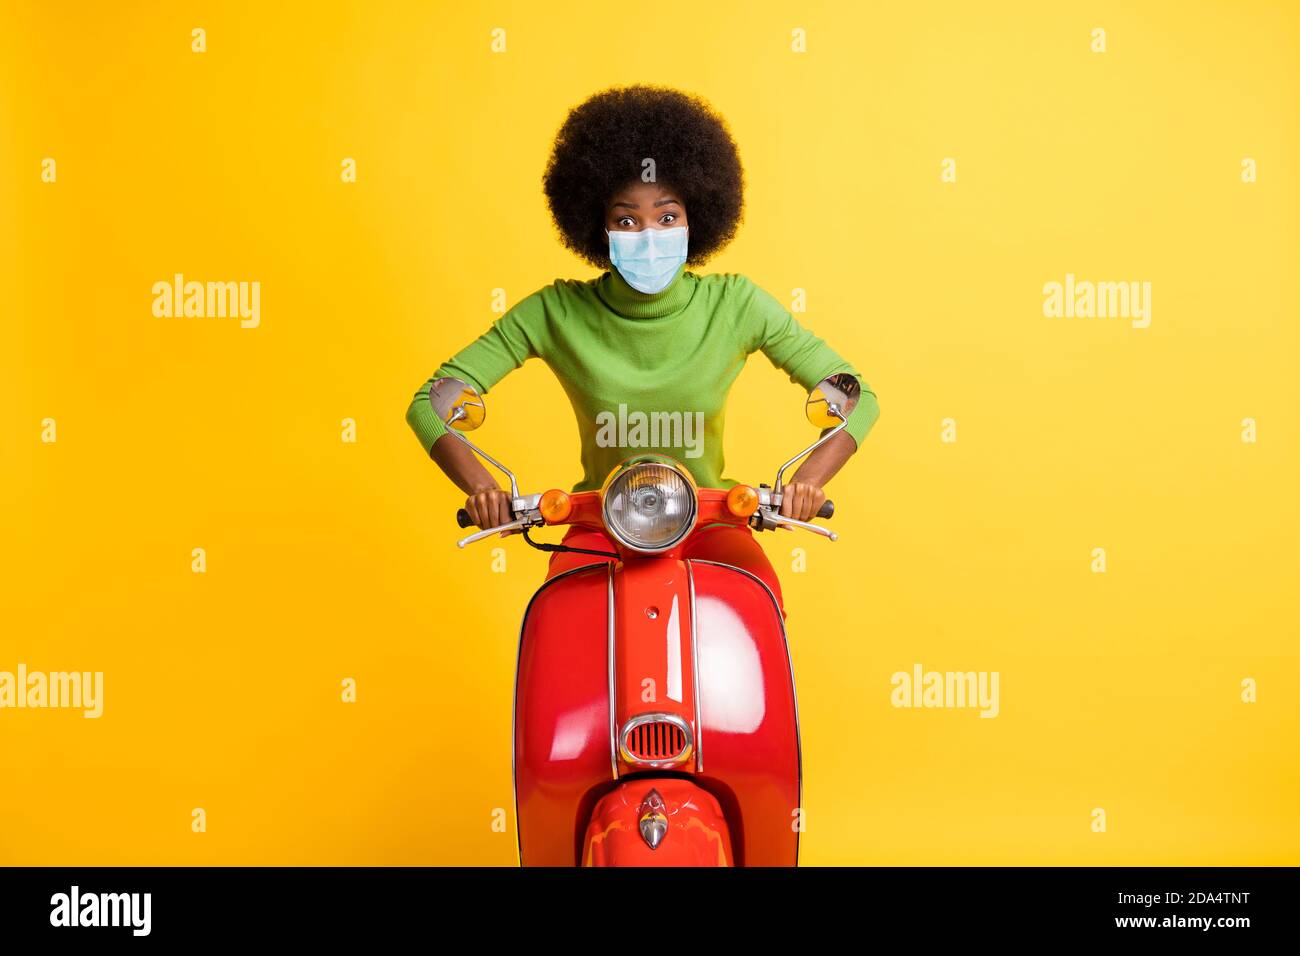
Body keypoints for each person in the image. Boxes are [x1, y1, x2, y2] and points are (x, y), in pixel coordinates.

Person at [405, 84, 880, 608]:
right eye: (627, 220)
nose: (649, 234)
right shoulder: (554, 313)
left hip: (711, 523)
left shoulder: (737, 304)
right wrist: (484, 489)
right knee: (561, 615)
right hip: (597, 528)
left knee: (757, 605)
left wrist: (807, 483)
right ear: (597, 226)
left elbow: (856, 398)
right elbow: (432, 402)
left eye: (667, 217)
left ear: (695, 219)